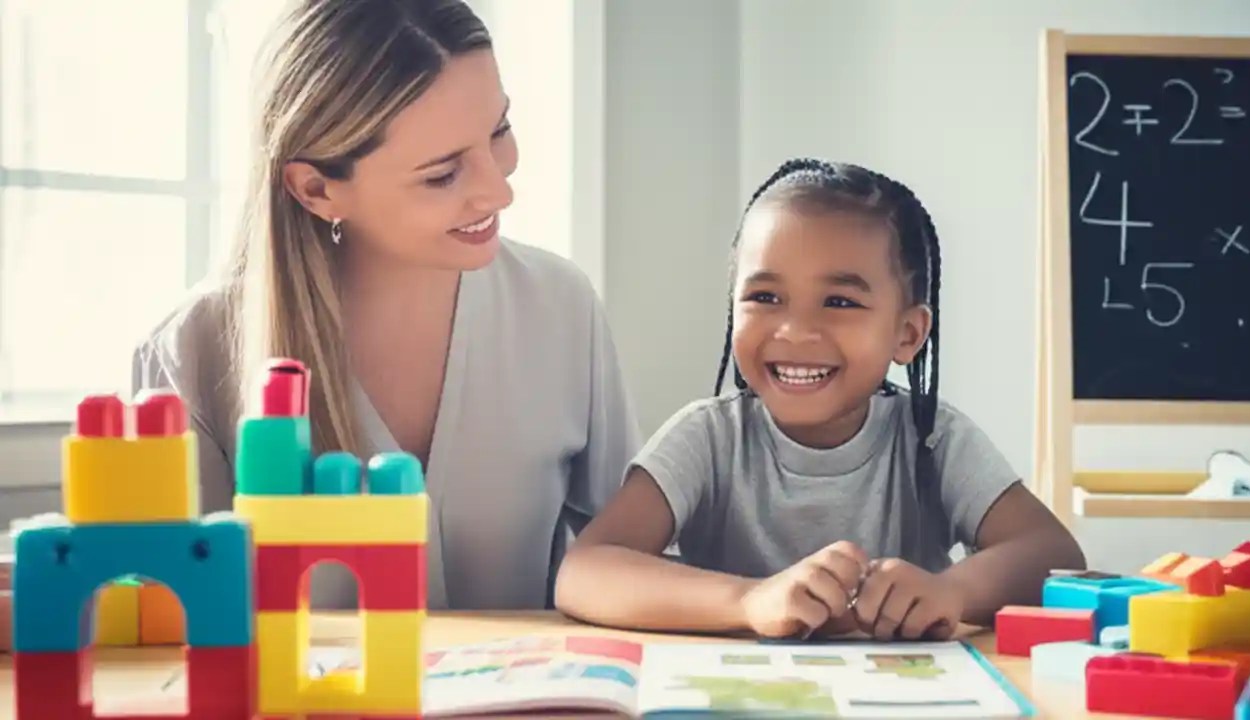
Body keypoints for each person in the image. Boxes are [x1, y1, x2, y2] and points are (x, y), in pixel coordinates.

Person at [123, 0, 640, 612]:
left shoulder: (562, 307)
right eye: (442, 174)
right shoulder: (189, 352)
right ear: (316, 189)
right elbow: (166, 618)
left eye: (499, 131)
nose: (499, 188)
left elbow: (633, 557)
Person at [554, 158, 1086, 640]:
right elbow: (586, 571)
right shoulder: (708, 438)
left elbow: (1054, 556)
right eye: (765, 297)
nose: (794, 331)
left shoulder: (933, 440)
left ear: (907, 333)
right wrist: (749, 600)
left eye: (839, 301)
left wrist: (952, 591)